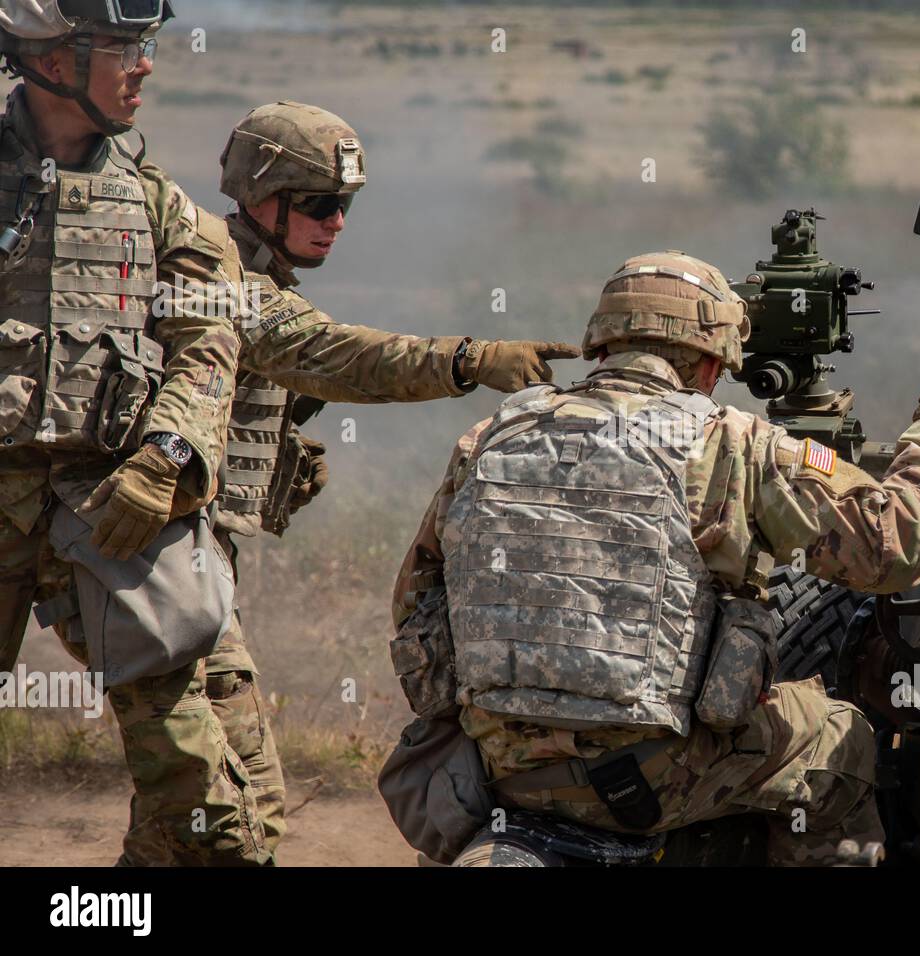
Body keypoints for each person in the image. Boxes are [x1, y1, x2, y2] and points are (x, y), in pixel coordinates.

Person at [378, 250, 920, 865]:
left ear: (600, 345)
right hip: (654, 778)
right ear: (711, 363)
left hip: (498, 770)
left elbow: (416, 608)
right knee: (845, 742)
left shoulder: (491, 436)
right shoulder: (731, 444)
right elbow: (898, 545)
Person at [119, 100, 582, 864]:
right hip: (162, 575)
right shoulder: (222, 280)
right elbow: (340, 356)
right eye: (320, 204)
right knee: (233, 811)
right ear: (261, 196)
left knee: (204, 814)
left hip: (188, 574)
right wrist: (468, 360)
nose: (337, 223)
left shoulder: (254, 275)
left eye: (345, 206)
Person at [0, 0, 267, 864]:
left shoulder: (159, 207)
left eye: (146, 45)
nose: (146, 65)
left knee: (203, 804)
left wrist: (169, 456)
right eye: (122, 46)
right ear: (51, 60)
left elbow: (208, 344)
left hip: (112, 509)